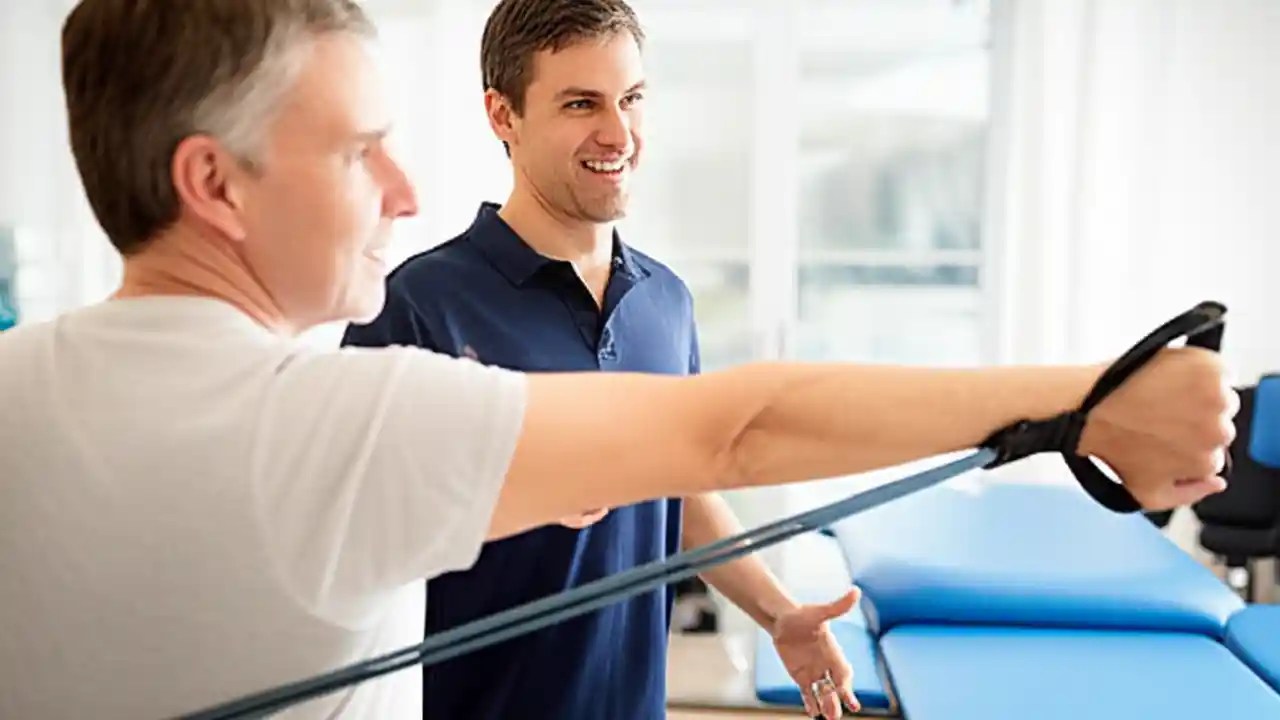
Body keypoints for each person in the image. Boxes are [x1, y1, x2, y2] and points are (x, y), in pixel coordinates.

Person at [0, 1, 1236, 719]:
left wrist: (767, 608)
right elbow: (733, 426)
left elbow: (680, 467)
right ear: (211, 182)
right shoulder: (362, 394)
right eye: (356, 150)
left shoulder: (22, 394)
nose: (401, 186)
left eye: (631, 98)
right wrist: (1089, 401)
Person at [340, 2, 857, 718]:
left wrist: (777, 614)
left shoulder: (667, 304)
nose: (619, 134)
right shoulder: (420, 306)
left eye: (632, 99)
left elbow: (680, 487)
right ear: (503, 114)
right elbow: (350, 533)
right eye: (582, 104)